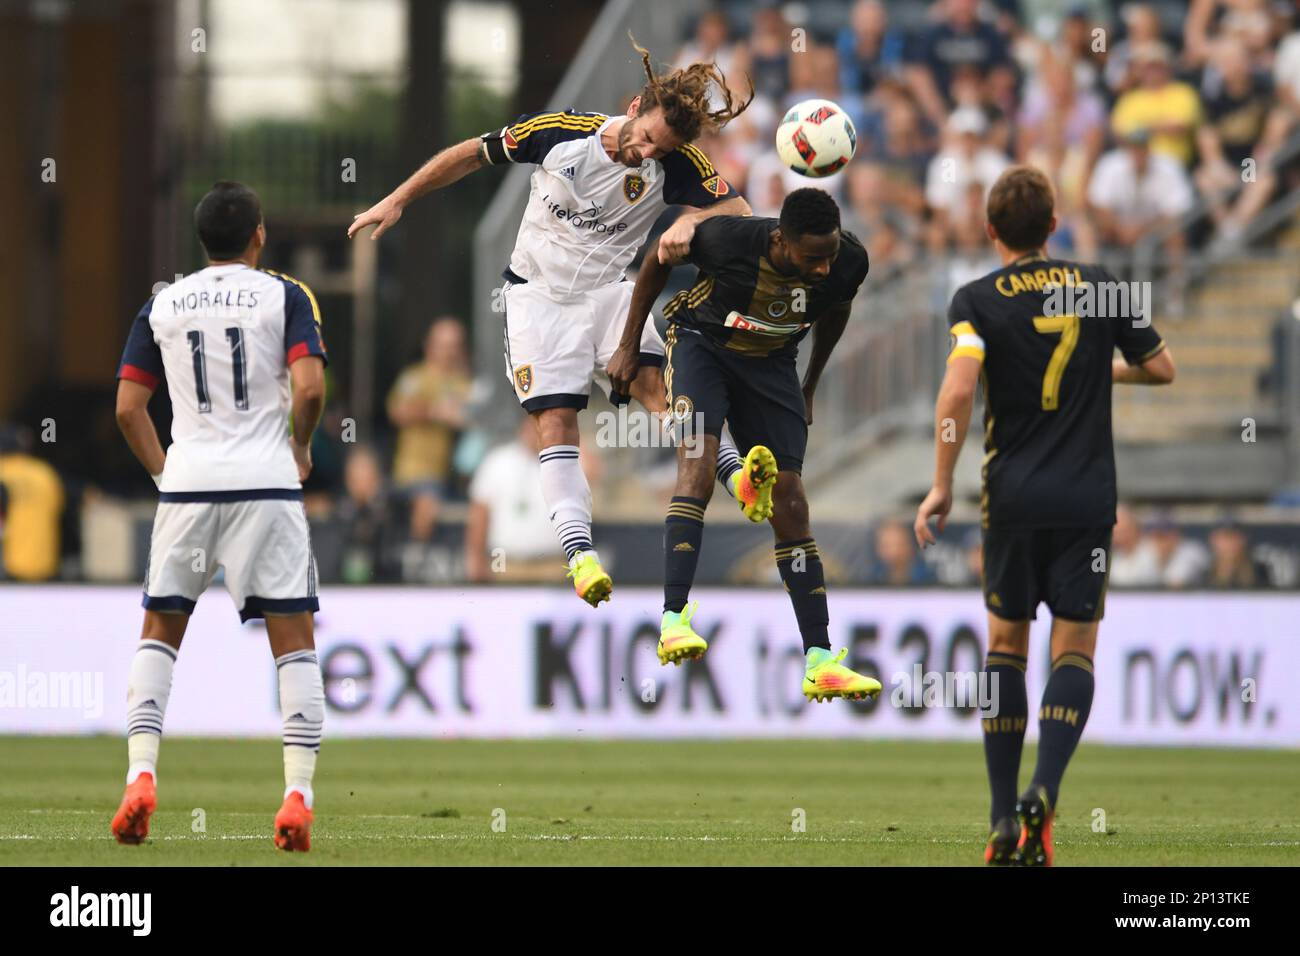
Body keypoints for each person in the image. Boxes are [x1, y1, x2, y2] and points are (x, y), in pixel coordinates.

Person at [350, 37, 753, 608]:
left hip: (610, 294)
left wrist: (698, 219)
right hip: (538, 300)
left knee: (661, 393)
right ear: (635, 108)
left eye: (659, 150)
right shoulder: (562, 132)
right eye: (644, 137)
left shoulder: (678, 163)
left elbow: (738, 211)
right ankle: (580, 557)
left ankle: (737, 475)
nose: (644, 153)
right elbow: (470, 152)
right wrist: (400, 198)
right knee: (556, 425)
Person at [913, 166, 1176, 865]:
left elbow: (959, 388)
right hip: (1087, 501)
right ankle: (1045, 791)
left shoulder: (974, 300)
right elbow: (1163, 369)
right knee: (1075, 649)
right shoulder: (1103, 285)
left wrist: (941, 484)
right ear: (1054, 225)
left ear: (991, 230)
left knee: (1005, 646)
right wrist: (1102, 367)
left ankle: (1002, 819)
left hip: (1012, 498)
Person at [112, 182, 328, 852]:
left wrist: (164, 474)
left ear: (200, 240)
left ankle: (141, 776)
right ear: (259, 234)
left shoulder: (163, 302)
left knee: (159, 633)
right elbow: (312, 386)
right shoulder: (285, 295)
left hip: (189, 485)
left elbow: (127, 407)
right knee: (293, 640)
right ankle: (296, 795)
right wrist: (299, 444)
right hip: (265, 485)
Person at [607, 188, 880, 704]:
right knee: (698, 467)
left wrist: (811, 384)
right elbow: (654, 262)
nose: (822, 269)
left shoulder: (848, 261)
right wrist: (626, 346)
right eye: (810, 258)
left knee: (793, 504)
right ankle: (672, 620)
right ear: (780, 241)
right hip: (701, 346)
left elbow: (835, 309)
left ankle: (820, 659)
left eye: (828, 257)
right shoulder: (727, 240)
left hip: (773, 362)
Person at [387, 316, 472, 538]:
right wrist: (434, 411)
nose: (448, 351)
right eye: (444, 345)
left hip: (449, 477)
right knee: (425, 507)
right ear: (429, 346)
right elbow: (397, 411)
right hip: (412, 472)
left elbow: (472, 416)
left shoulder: (463, 382)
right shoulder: (414, 377)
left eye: (454, 345)